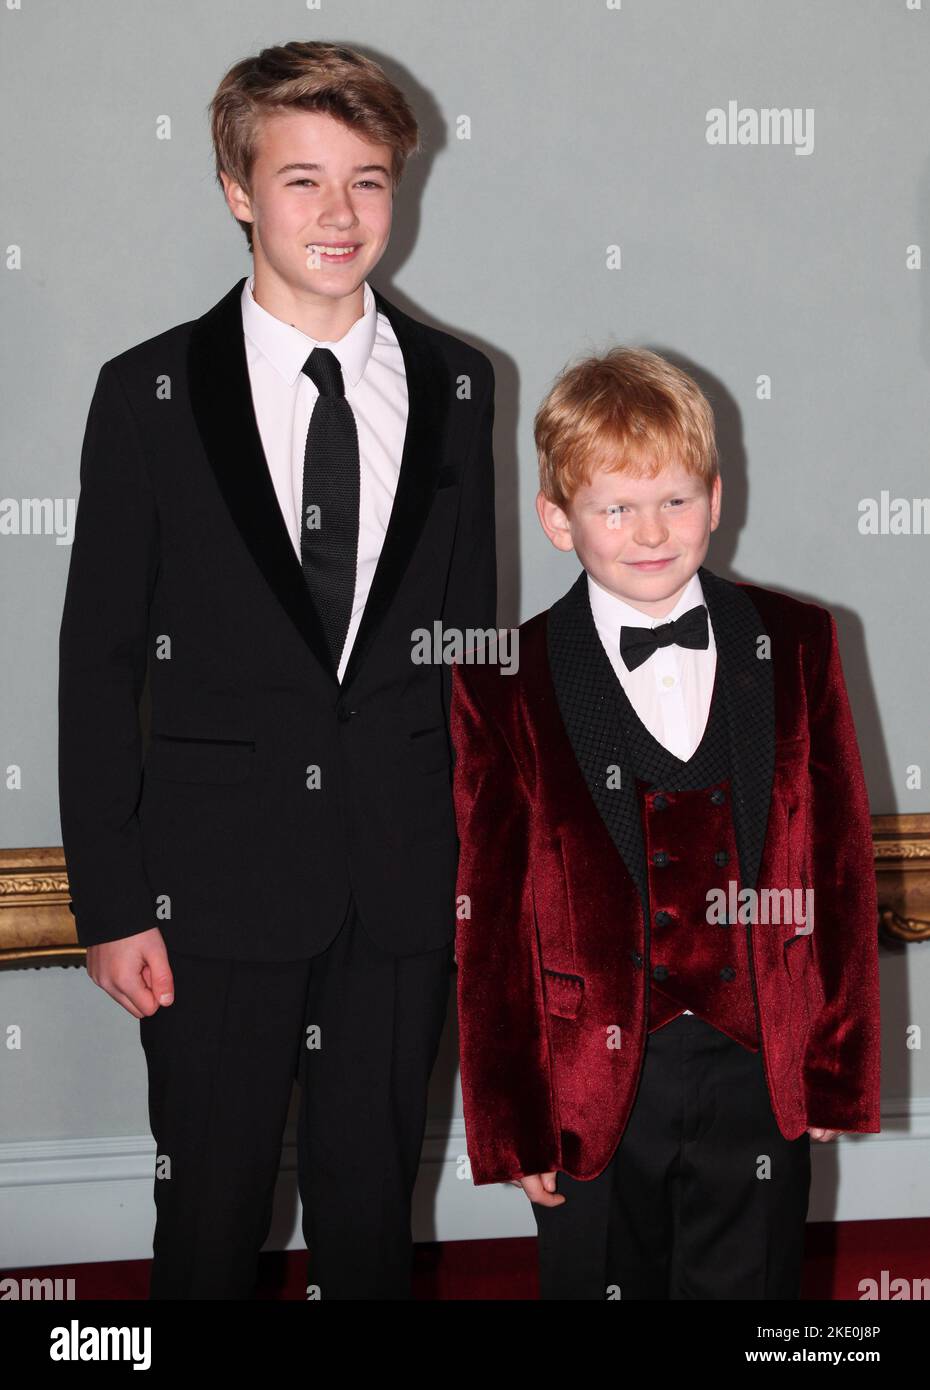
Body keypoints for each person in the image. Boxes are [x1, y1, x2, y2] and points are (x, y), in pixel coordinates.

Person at [58, 39, 496, 1300]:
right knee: (208, 1212)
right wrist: (112, 900)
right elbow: (96, 661)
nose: (341, 214)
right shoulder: (142, 394)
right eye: (302, 180)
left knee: (374, 1215)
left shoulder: (461, 384)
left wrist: (482, 870)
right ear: (237, 190)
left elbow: (468, 652)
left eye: (368, 180)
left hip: (403, 881)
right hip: (208, 890)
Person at [451, 346, 880, 1300]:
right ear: (557, 520)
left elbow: (842, 864)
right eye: (615, 508)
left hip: (759, 1065)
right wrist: (511, 1121)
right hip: (590, 1087)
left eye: (676, 500)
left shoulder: (799, 641)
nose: (651, 531)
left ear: (718, 499)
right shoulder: (501, 679)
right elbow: (488, 922)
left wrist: (836, 1066)